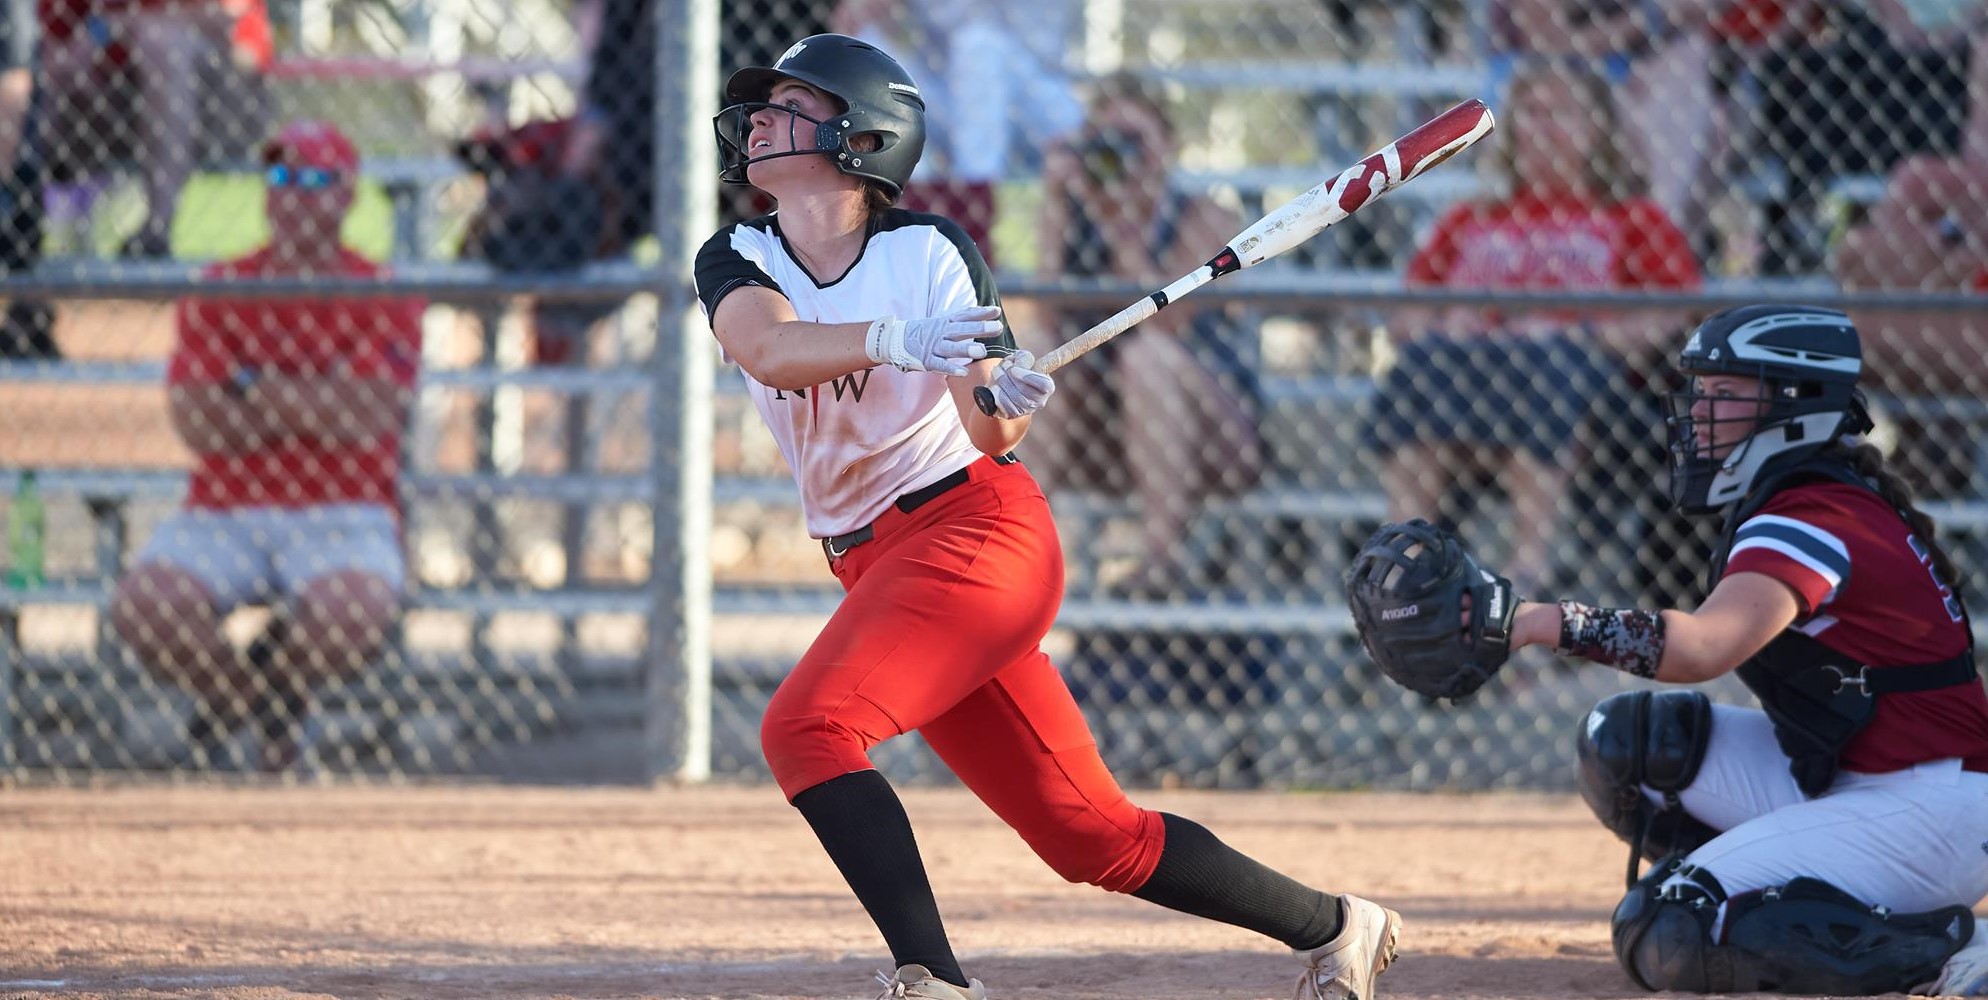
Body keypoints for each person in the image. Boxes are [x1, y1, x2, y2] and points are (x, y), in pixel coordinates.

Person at [695, 33, 1400, 1000]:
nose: (762, 119)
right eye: (763, 104)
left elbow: (989, 428)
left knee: (807, 729)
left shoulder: (929, 250)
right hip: (875, 563)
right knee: (1091, 836)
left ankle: (933, 980)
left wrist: (1009, 395)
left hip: (976, 535)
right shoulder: (739, 252)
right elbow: (770, 349)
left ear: (863, 136)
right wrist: (896, 339)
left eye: (792, 104)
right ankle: (1337, 927)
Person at [1495, 305, 1988, 995]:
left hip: (1930, 812)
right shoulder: (1806, 496)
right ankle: (1759, 898)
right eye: (1701, 391)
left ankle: (1947, 946)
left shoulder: (1816, 514)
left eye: (1725, 393)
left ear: (1795, 402)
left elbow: (1702, 649)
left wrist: (1535, 622)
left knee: (1672, 928)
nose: (1699, 412)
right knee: (1628, 743)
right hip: (1860, 777)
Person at [110, 121, 425, 773]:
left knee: (356, 611)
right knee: (145, 606)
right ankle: (262, 707)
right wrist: (320, 397)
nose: (293, 193)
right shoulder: (221, 284)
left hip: (344, 508)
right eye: (280, 176)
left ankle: (261, 697)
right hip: (226, 508)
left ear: (347, 194)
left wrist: (251, 386)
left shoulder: (381, 289)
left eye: (315, 178)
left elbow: (371, 414)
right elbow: (199, 423)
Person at [1371, 62, 1700, 597]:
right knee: (1422, 360)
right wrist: (1447, 321)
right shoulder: (1472, 217)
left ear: (1598, 129)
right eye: (1531, 113)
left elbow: (1674, 314)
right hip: (1466, 377)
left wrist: (1585, 335)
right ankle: (1406, 563)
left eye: (1560, 113)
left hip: (1580, 388)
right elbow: (1405, 319)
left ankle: (1529, 568)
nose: (1541, 127)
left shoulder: (1632, 218)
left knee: (1542, 362)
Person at [1018, 70, 1262, 597]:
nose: (1124, 156)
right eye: (1109, 141)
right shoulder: (1082, 208)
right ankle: (1020, 550)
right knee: (1035, 349)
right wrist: (1059, 202)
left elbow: (1166, 319)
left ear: (1168, 146)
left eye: (1136, 140)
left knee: (1147, 355)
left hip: (1212, 433)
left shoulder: (1206, 216)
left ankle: (1161, 561)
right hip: (1103, 433)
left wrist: (1119, 225)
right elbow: (1045, 313)